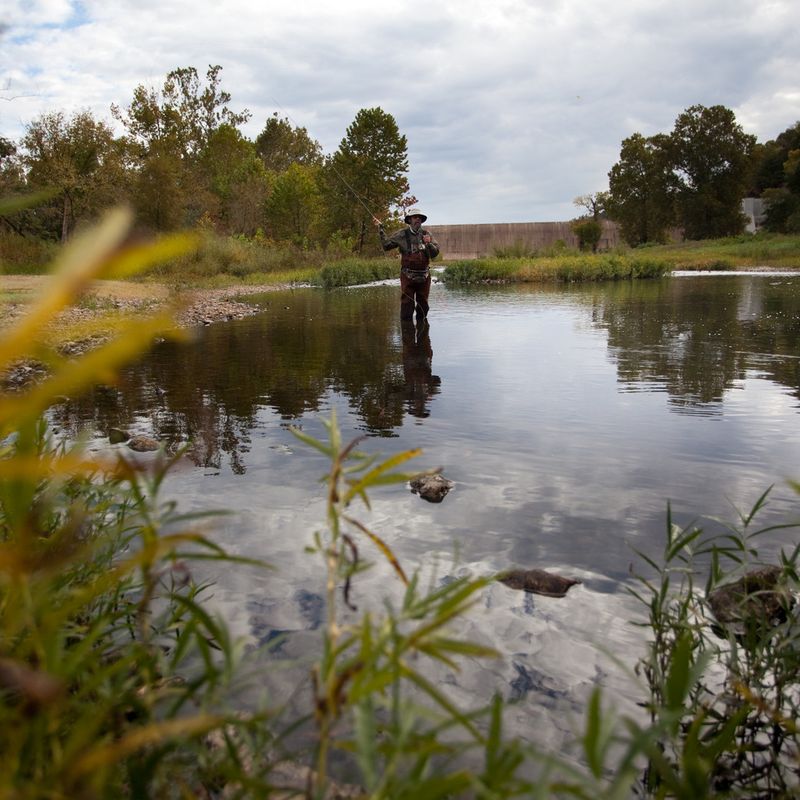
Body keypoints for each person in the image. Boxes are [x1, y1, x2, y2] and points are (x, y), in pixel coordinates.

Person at [378, 208, 440, 321]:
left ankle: (423, 333)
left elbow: (435, 253)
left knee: (423, 305)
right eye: (415, 217)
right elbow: (386, 246)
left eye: (419, 218)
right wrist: (381, 231)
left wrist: (429, 244)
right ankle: (407, 333)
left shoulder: (427, 234)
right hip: (407, 276)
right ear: (409, 220)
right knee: (407, 304)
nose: (418, 219)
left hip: (424, 276)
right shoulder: (401, 234)